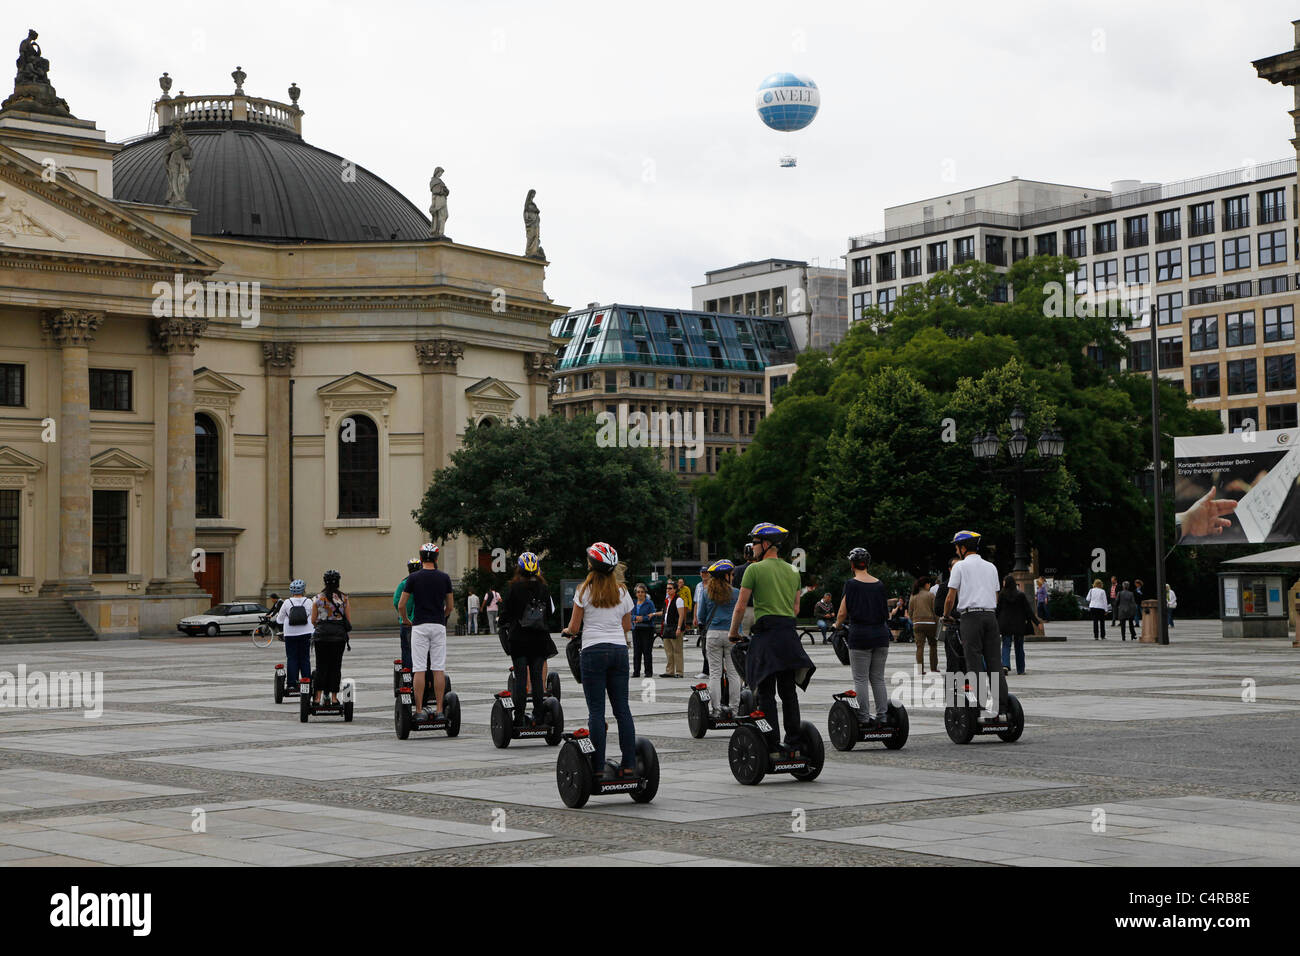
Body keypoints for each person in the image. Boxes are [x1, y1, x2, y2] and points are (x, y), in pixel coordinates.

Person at [728, 522, 815, 751]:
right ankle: (794, 740)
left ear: (766, 544)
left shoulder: (754, 570)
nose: (753, 548)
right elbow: (796, 609)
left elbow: (740, 606)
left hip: (766, 636)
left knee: (766, 692)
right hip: (788, 635)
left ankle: (771, 740)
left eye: (755, 543)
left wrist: (733, 632)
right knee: (789, 692)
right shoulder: (793, 571)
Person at [562, 542, 637, 778]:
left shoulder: (583, 591)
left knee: (596, 711)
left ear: (591, 564)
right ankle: (629, 764)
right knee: (622, 709)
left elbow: (574, 627)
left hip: (593, 650)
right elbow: (626, 626)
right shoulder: (623, 592)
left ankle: (596, 767)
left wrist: (568, 631)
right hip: (618, 651)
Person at [942, 531, 1007, 716]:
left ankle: (979, 706)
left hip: (971, 618)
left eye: (956, 547)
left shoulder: (960, 567)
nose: (956, 550)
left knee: (974, 662)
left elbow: (950, 597)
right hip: (990, 616)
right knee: (995, 662)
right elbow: (995, 596)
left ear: (963, 548)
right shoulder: (991, 567)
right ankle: (1002, 706)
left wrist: (946, 615)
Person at [835, 548, 892, 724]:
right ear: (868, 564)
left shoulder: (851, 584)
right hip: (881, 635)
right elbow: (886, 614)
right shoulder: (879, 584)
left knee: (860, 679)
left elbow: (842, 612)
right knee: (878, 678)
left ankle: (864, 717)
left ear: (852, 565)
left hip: (860, 635)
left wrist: (836, 626)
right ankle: (883, 716)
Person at [398, 543, 455, 718]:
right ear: (436, 559)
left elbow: (401, 605)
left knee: (420, 668)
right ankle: (439, 710)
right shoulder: (444, 578)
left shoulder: (414, 578)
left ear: (421, 558)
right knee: (438, 668)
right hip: (438, 625)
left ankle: (419, 710)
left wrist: (407, 620)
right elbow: (450, 606)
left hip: (419, 626)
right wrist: (442, 616)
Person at [501, 552, 557, 726]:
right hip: (539, 640)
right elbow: (549, 613)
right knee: (537, 679)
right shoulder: (544, 588)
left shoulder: (513, 588)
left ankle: (519, 717)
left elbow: (505, 615)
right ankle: (538, 716)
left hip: (519, 640)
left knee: (521, 678)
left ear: (519, 568)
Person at [697, 559, 742, 719]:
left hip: (713, 634)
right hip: (732, 634)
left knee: (715, 673)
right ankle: (735, 711)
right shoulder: (737, 593)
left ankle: (716, 710)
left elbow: (701, 616)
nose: (733, 576)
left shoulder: (706, 592)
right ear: (726, 576)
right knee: (734, 674)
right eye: (731, 574)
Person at [309, 570, 351, 706]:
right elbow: (348, 620)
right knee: (335, 666)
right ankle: (334, 698)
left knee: (321, 666)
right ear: (338, 582)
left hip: (322, 636)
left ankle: (317, 698)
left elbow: (313, 620)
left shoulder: (317, 598)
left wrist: (321, 625)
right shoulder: (344, 598)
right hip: (338, 637)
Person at [996, 574, 1038, 676]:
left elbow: (998, 610)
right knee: (1019, 647)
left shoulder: (1002, 595)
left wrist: (994, 621)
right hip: (1019, 624)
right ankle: (1021, 669)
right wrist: (1036, 622)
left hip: (1005, 624)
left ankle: (1005, 665)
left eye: (1004, 581)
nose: (1003, 583)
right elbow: (1028, 610)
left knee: (1006, 645)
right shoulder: (1021, 595)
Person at [276, 580, 313, 686]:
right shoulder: (309, 601)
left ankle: (292, 683)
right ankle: (307, 681)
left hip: (290, 634)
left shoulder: (287, 602)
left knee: (292, 657)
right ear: (304, 590)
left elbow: (279, 620)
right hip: (306, 633)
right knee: (305, 658)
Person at [909, 576, 939, 675]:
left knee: (919, 647)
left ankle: (920, 670)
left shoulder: (913, 596)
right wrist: (937, 623)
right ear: (926, 584)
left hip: (917, 624)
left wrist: (914, 620)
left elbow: (910, 611)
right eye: (929, 584)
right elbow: (935, 611)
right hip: (930, 623)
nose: (930, 586)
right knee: (933, 645)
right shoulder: (930, 595)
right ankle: (933, 668)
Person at [630, 583, 657, 678]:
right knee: (637, 651)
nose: (640, 594)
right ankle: (636, 672)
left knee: (647, 651)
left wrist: (643, 618)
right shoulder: (633, 602)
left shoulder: (649, 603)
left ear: (645, 593)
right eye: (638, 592)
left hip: (647, 629)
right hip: (636, 629)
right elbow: (629, 615)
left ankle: (648, 672)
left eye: (642, 592)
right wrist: (635, 617)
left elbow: (652, 615)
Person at [659, 581, 685, 678]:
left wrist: (679, 628)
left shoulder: (678, 600)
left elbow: (681, 615)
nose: (668, 590)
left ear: (675, 589)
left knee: (677, 650)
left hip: (675, 627)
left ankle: (679, 671)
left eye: (670, 588)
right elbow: (664, 613)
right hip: (667, 627)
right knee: (668, 651)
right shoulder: (667, 600)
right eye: (667, 588)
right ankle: (670, 671)